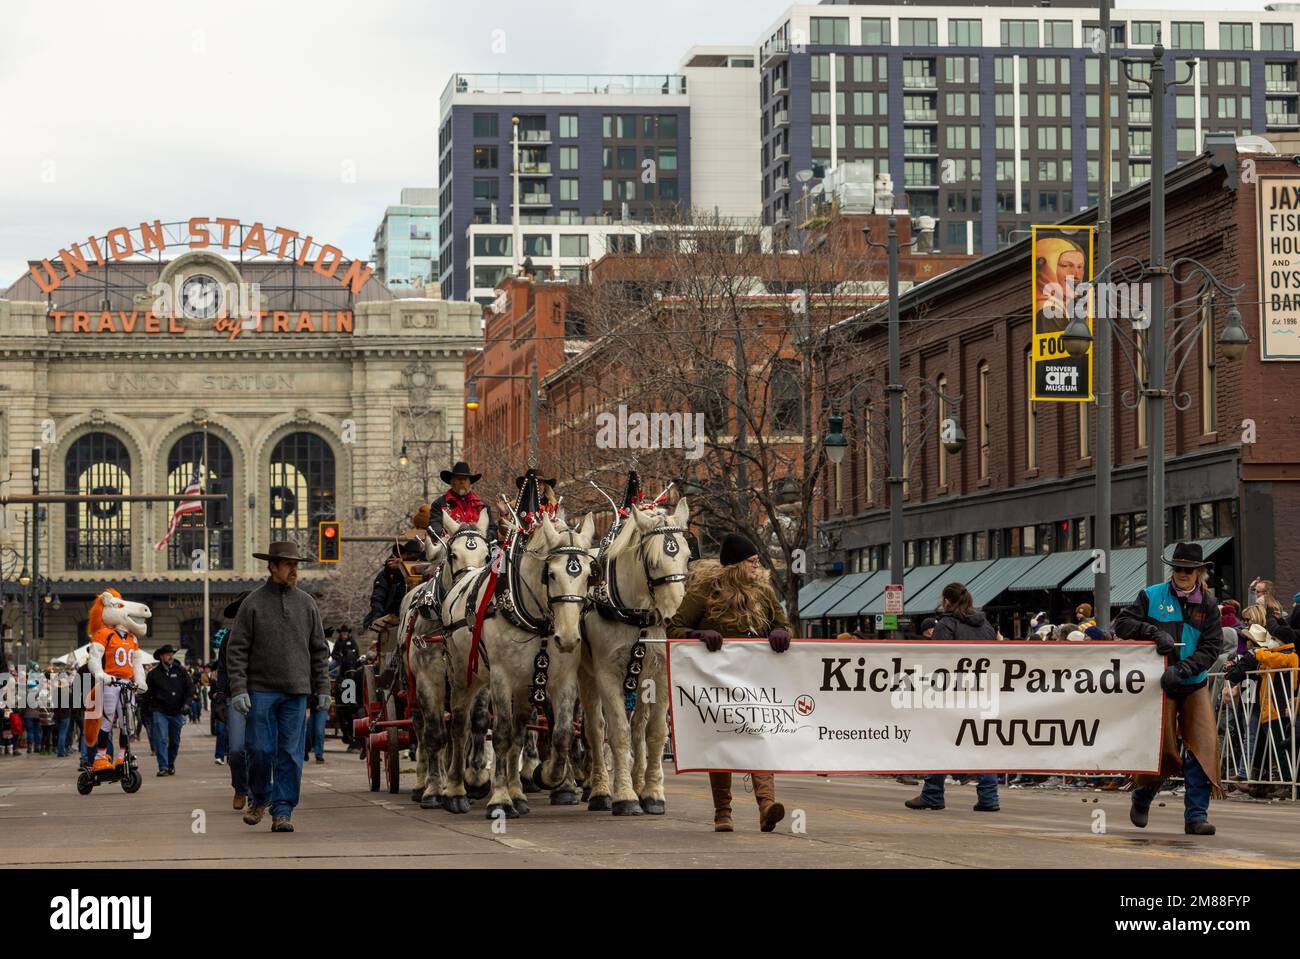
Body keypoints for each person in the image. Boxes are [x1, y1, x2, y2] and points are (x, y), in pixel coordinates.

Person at [666, 533, 789, 834]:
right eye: (752, 562)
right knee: (720, 742)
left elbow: (781, 622)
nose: (757, 568)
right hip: (716, 682)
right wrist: (697, 636)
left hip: (756, 679)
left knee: (760, 736)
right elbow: (674, 626)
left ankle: (767, 806)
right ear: (735, 565)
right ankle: (723, 812)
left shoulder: (763, 591)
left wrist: (781, 632)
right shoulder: (706, 591)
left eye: (758, 562)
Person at [1112, 542, 1225, 835]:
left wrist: (1186, 669)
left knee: (1203, 747)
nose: (1182, 574)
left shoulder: (1209, 605)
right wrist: (1152, 631)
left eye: (1188, 569)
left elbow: (1211, 647)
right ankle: (1143, 796)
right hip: (1157, 682)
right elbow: (1122, 624)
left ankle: (1196, 816)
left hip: (1192, 682)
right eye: (1177, 568)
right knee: (1162, 749)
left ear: (1198, 571)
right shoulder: (1151, 595)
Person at [226, 541, 330, 833]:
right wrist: (239, 688)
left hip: (297, 691)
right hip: (260, 690)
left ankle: (282, 811)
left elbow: (319, 650)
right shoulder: (253, 604)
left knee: (290, 754)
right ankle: (260, 798)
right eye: (288, 565)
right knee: (259, 750)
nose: (294, 570)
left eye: (297, 565)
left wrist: (323, 687)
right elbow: (237, 649)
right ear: (272, 566)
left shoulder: (307, 603)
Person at [906, 582, 1001, 813]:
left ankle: (933, 794)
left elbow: (938, 661)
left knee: (941, 740)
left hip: (954, 692)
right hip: (982, 690)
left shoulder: (946, 625)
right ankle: (989, 797)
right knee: (981, 741)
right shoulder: (986, 626)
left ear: (947, 601)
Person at [1226, 622, 1297, 796]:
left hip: (1279, 709)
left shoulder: (1290, 656)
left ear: (1283, 641)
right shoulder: (1272, 655)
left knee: (1282, 749)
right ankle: (1266, 783)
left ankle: (1288, 783)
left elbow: (1277, 661)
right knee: (1270, 749)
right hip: (1269, 709)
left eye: (1274, 638)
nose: (1271, 641)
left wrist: (1258, 653)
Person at [84, 589, 150, 772]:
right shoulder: (105, 633)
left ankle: (122, 756)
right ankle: (100, 756)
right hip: (111, 682)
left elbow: (137, 662)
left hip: (128, 684)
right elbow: (95, 656)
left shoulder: (132, 638)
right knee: (107, 719)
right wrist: (99, 673)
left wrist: (141, 680)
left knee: (126, 723)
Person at [145, 645, 193, 776]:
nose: (171, 656)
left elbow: (190, 688)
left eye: (172, 654)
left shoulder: (181, 671)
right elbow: (147, 694)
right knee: (161, 739)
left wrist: (187, 704)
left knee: (175, 741)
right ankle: (163, 767)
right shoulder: (153, 674)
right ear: (161, 656)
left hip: (177, 711)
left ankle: (171, 763)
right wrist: (147, 711)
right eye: (167, 654)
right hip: (159, 711)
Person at [429, 462, 493, 533]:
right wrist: (439, 531)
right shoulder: (439, 504)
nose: (462, 482)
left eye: (465, 479)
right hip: (450, 542)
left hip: (479, 542)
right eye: (459, 479)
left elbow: (491, 528)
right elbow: (435, 524)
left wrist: (487, 537)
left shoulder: (482, 506)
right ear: (452, 481)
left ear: (469, 482)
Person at [330, 625, 360, 749]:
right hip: (340, 664)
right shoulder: (338, 642)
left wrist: (351, 658)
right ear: (340, 633)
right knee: (332, 669)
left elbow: (356, 652)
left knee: (358, 669)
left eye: (346, 632)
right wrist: (340, 658)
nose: (344, 634)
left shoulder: (352, 642)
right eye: (342, 632)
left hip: (351, 663)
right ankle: (333, 685)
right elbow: (334, 654)